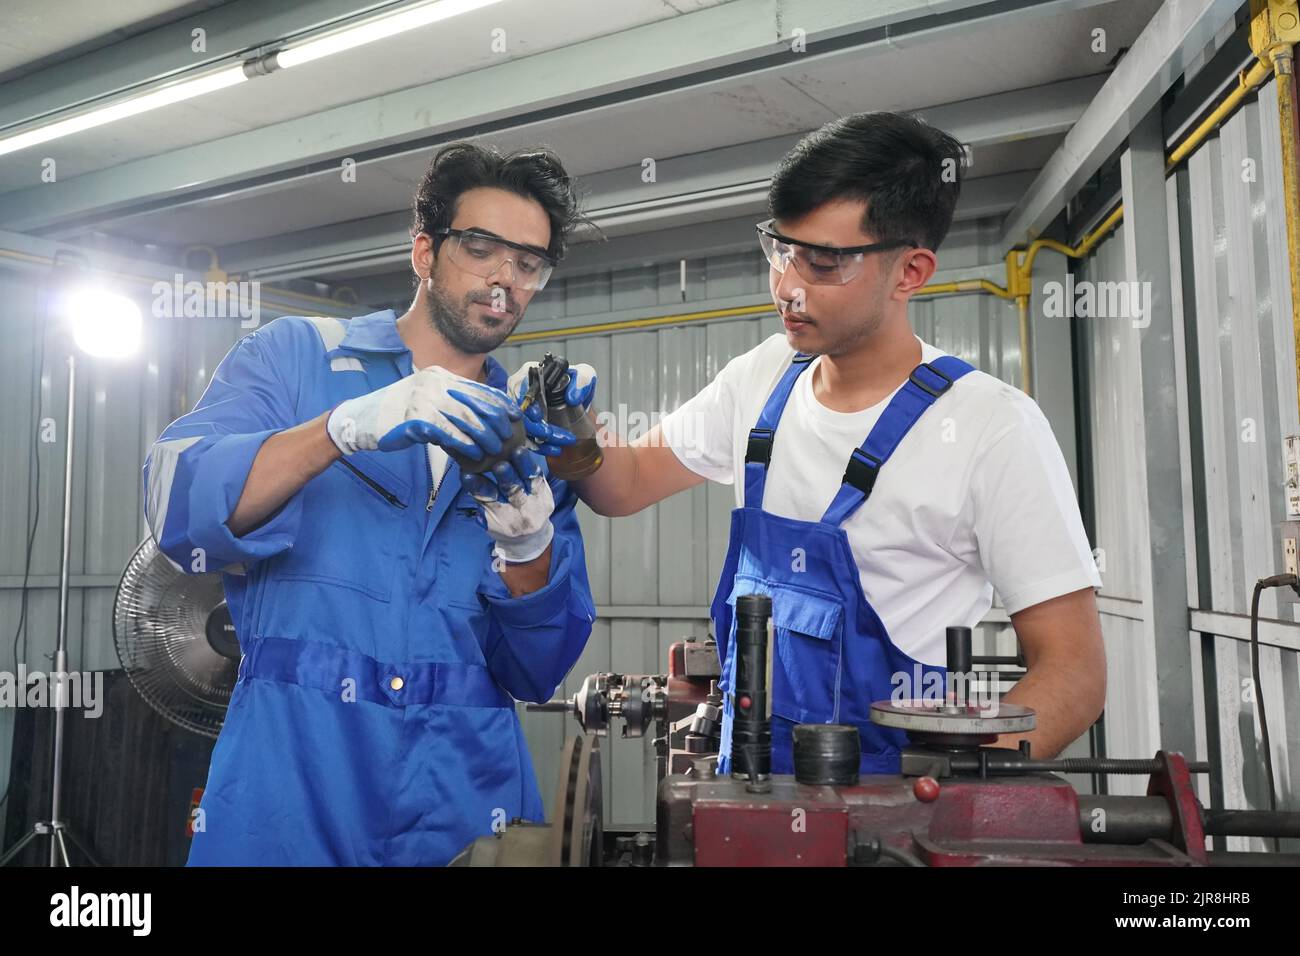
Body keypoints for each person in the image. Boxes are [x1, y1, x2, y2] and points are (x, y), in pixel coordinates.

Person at [560, 112, 1105, 774]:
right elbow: (626, 482)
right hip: (750, 790)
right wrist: (565, 428)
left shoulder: (992, 428)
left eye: (822, 263)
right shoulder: (760, 380)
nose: (788, 287)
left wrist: (947, 797)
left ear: (910, 272)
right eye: (781, 251)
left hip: (896, 808)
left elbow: (1073, 673)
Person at [143, 142, 595, 865]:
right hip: (290, 789)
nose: (504, 278)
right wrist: (339, 429)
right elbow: (178, 508)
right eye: (481, 247)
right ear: (424, 251)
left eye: (529, 263)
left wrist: (527, 546)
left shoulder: (529, 438)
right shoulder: (295, 359)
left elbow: (536, 671)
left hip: (464, 804)